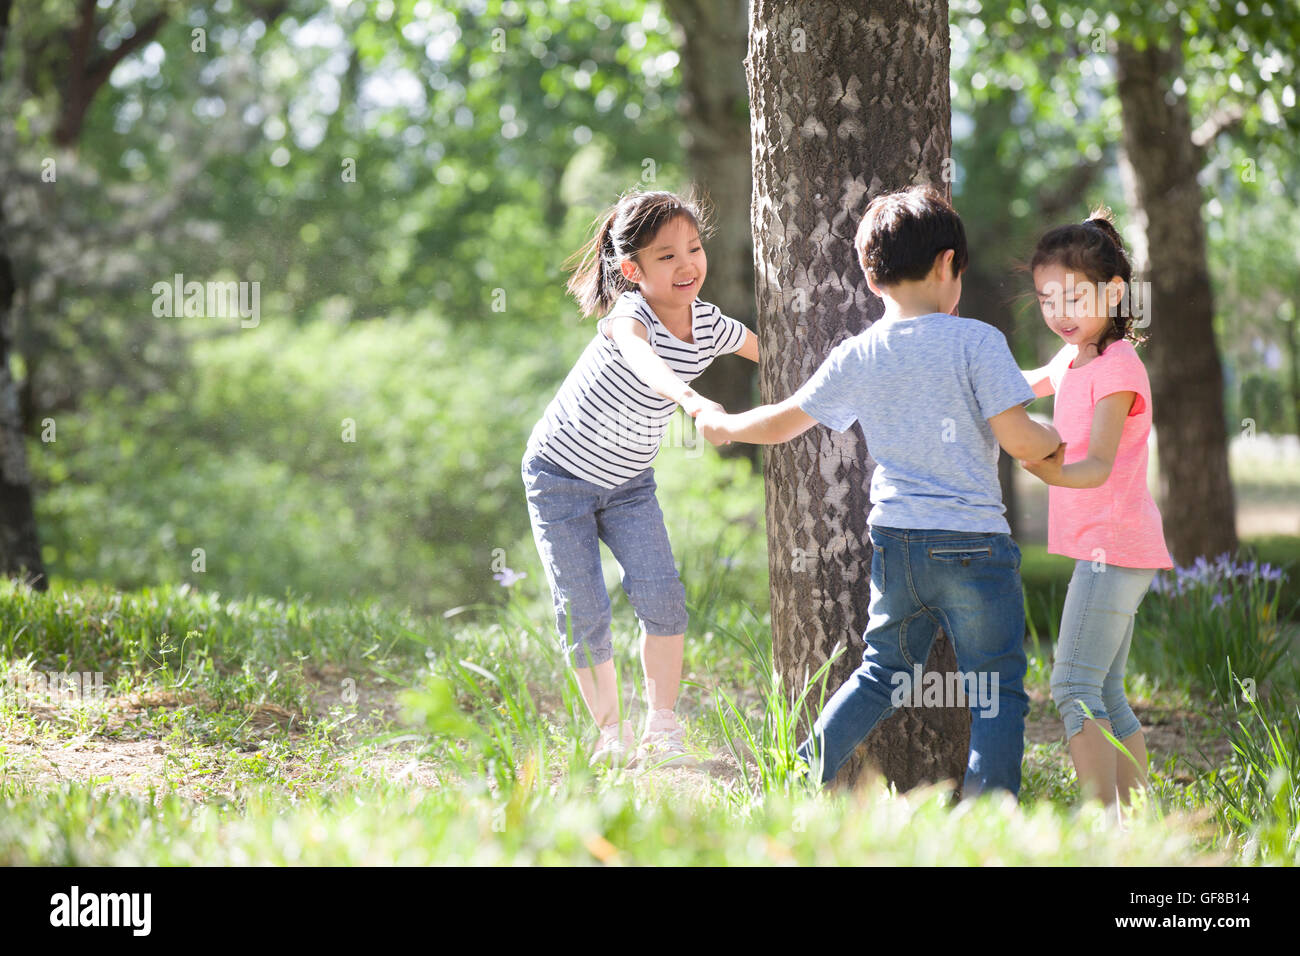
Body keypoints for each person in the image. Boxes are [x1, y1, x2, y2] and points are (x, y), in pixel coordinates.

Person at [696, 184, 1061, 798]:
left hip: (899, 546)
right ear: (949, 264)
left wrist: (727, 425)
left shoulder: (860, 353)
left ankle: (794, 771)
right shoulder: (977, 341)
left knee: (882, 672)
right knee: (995, 690)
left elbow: (786, 418)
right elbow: (1020, 439)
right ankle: (987, 814)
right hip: (974, 547)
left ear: (872, 280)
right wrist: (1053, 438)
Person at [522, 188, 759, 768]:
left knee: (663, 598)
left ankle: (663, 724)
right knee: (583, 609)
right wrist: (693, 400)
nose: (687, 265)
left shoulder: (710, 324)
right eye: (666, 256)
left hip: (629, 485)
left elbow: (776, 352)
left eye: (695, 248)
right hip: (559, 478)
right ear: (633, 270)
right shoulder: (631, 316)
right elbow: (642, 360)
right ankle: (610, 733)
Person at [1018, 207, 1173, 809]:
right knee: (1104, 689)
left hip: (1116, 547)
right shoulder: (1073, 359)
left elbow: (1098, 466)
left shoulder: (1119, 368)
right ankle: (1139, 826)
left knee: (1072, 683)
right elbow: (1018, 385)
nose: (1060, 314)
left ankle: (1099, 827)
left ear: (1113, 292)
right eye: (1046, 300)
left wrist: (1042, 465)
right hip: (1105, 548)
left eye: (1074, 298)